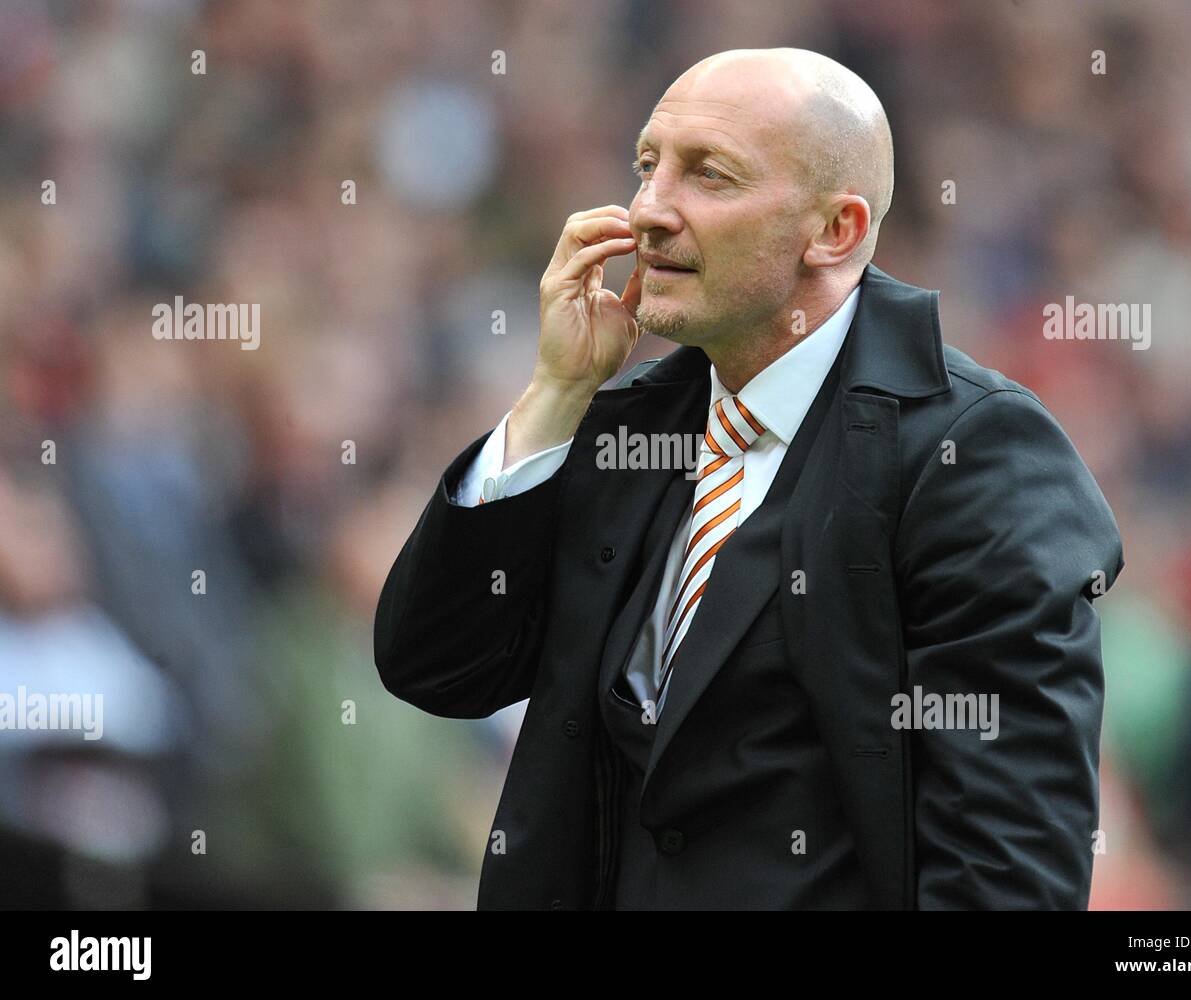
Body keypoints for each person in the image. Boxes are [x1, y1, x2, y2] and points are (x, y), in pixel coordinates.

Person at [374, 47, 1124, 909]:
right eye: (647, 166)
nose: (648, 211)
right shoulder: (628, 424)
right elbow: (436, 666)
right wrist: (555, 394)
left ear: (834, 230)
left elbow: (1007, 873)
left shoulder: (974, 456)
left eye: (710, 176)